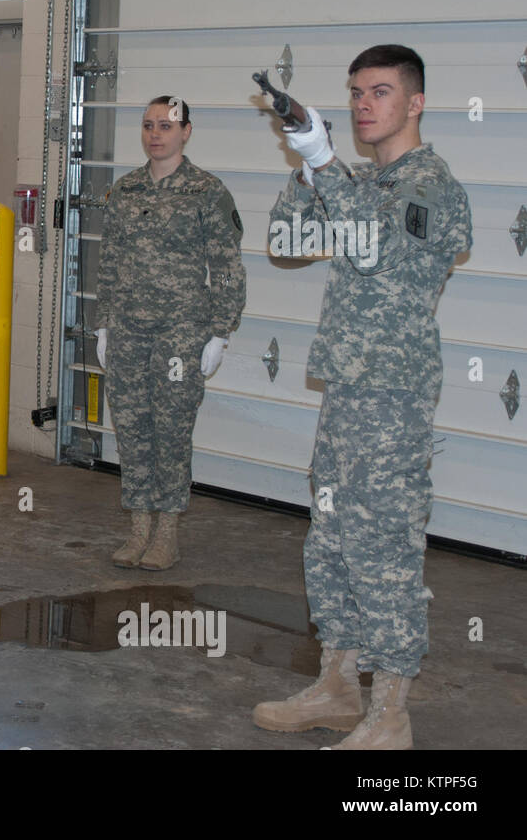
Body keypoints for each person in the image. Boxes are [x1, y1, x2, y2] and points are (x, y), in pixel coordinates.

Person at [255, 45, 471, 749]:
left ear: (415, 103)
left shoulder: (431, 185)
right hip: (348, 386)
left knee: (384, 547)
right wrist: (306, 163)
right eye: (354, 93)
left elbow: (377, 245)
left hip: (393, 395)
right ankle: (340, 684)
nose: (362, 105)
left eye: (380, 91)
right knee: (333, 540)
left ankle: (392, 713)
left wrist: (324, 165)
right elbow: (285, 242)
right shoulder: (358, 181)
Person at [93, 96, 246, 571]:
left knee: (172, 430)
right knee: (133, 428)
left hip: (182, 330)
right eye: (148, 125)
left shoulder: (207, 192)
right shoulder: (126, 190)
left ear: (187, 132)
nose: (155, 133)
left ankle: (167, 534)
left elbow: (226, 267)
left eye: (166, 125)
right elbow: (110, 261)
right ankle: (138, 528)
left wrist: (221, 331)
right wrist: (104, 322)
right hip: (128, 330)